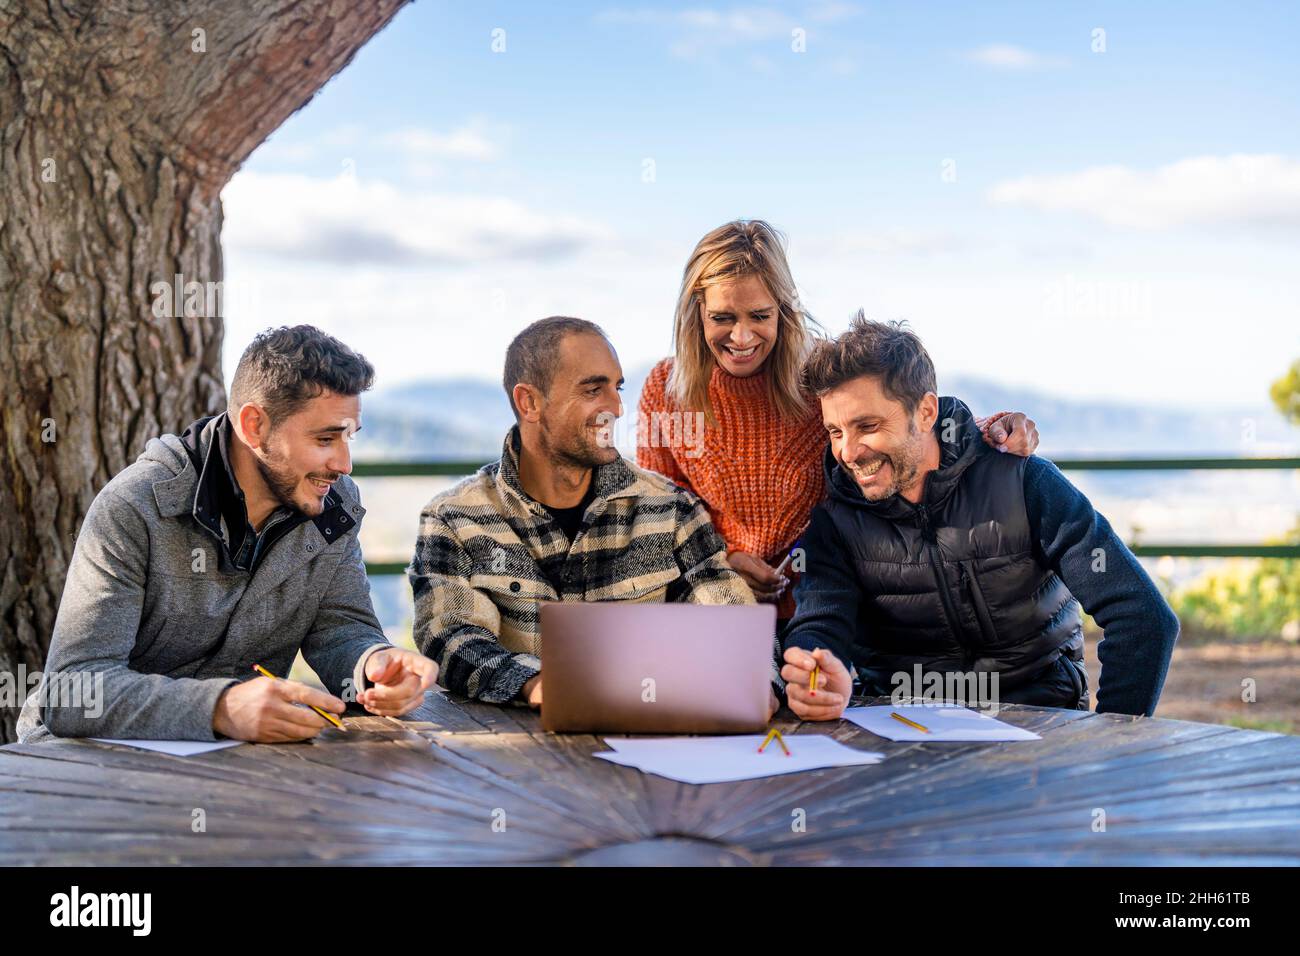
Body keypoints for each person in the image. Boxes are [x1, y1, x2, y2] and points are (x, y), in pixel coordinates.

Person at [17, 326, 436, 743]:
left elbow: (339, 626)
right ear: (254, 426)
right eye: (325, 438)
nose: (344, 464)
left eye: (349, 437)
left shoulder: (333, 503)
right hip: (79, 763)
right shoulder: (135, 506)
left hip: (229, 762)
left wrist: (374, 664)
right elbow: (71, 691)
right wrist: (221, 708)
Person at [778, 314, 1179, 721]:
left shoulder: (1024, 482)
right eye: (835, 432)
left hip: (1037, 728)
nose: (848, 451)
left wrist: (1115, 740)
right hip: (900, 733)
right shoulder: (835, 521)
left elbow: (1142, 616)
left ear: (926, 412)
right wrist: (818, 665)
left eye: (867, 425)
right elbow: (822, 620)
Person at [637, 219, 1039, 618]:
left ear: (783, 310)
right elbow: (660, 516)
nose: (741, 338)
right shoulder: (665, 391)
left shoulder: (822, 372)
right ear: (697, 310)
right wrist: (723, 558)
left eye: (759, 316)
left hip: (833, 606)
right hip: (718, 612)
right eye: (723, 318)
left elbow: (908, 419)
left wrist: (990, 431)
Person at [408, 315, 780, 712]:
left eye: (617, 388)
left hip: (652, 754)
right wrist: (537, 683)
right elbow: (450, 638)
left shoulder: (672, 509)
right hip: (519, 761)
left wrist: (757, 678)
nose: (617, 408)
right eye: (593, 389)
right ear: (529, 402)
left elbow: (731, 616)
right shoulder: (453, 519)